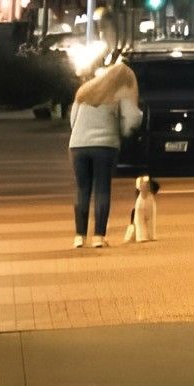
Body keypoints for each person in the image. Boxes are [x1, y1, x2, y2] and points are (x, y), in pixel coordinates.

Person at [68, 59, 141, 248]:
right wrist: (131, 126)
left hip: (78, 146)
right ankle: (98, 236)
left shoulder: (84, 91)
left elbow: (73, 120)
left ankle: (79, 236)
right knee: (102, 190)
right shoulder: (119, 93)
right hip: (105, 146)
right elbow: (131, 120)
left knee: (82, 190)